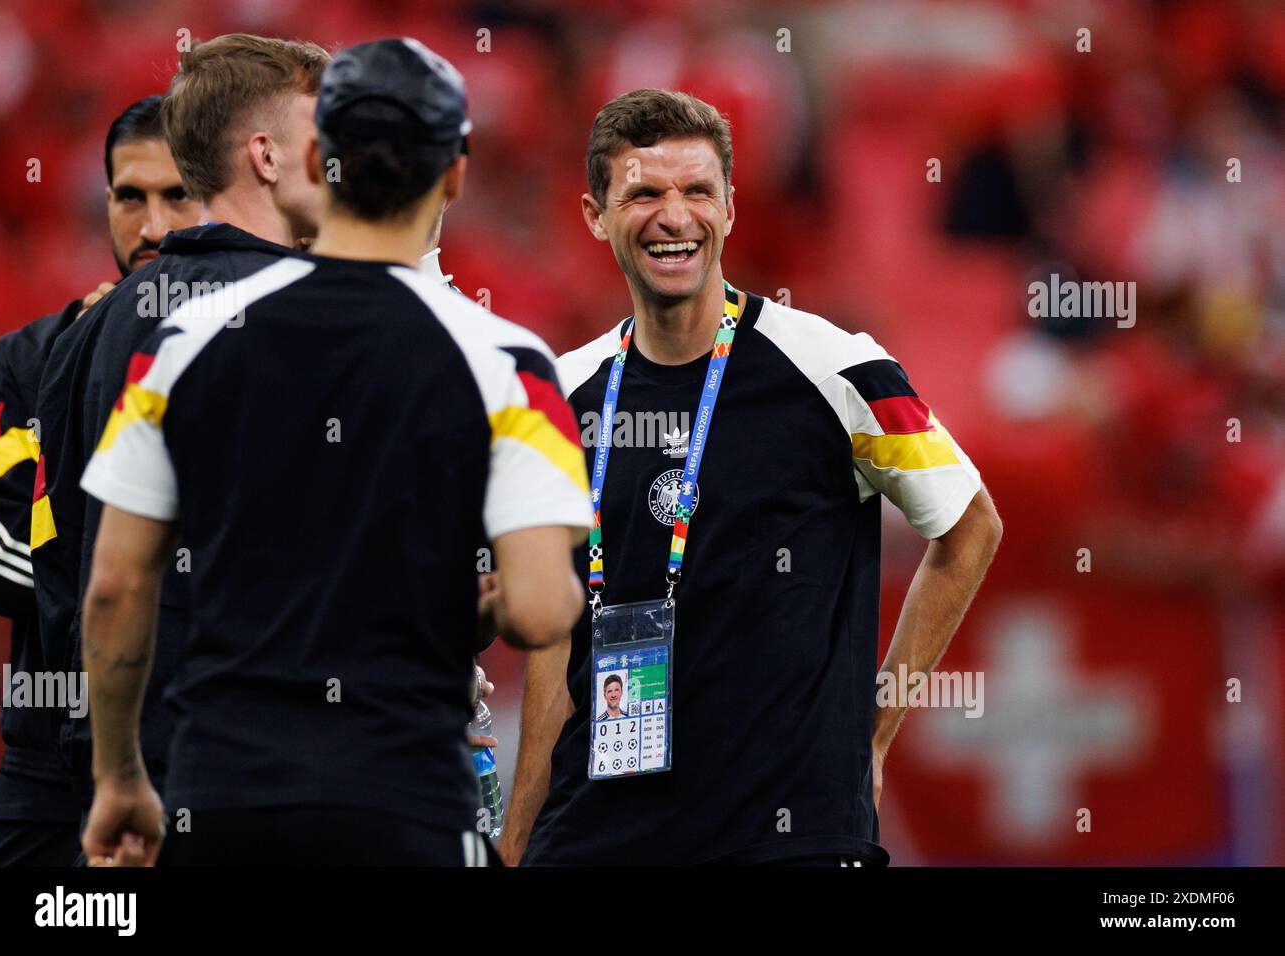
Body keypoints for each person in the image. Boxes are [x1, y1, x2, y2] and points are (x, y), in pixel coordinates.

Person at [77, 37, 591, 867]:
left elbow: (113, 586)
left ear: (318, 157)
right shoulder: (509, 362)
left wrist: (118, 776)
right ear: (456, 173)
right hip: (408, 803)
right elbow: (540, 610)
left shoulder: (185, 339)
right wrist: (474, 602)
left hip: (224, 799)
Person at [502, 89, 1003, 866]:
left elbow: (970, 524)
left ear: (731, 208)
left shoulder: (839, 368)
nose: (675, 217)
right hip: (599, 832)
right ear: (596, 214)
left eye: (698, 191)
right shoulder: (560, 396)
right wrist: (518, 834)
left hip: (789, 831)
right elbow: (556, 644)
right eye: (643, 193)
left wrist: (873, 730)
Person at [29, 35, 328, 851]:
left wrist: (106, 756)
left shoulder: (92, 328)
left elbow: (62, 560)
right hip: (278, 767)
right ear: (266, 155)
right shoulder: (314, 314)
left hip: (132, 761)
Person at [0, 95, 201, 866]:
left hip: (195, 746)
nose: (151, 228)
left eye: (177, 196)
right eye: (129, 197)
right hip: (47, 755)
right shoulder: (23, 362)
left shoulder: (251, 349)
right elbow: (3, 567)